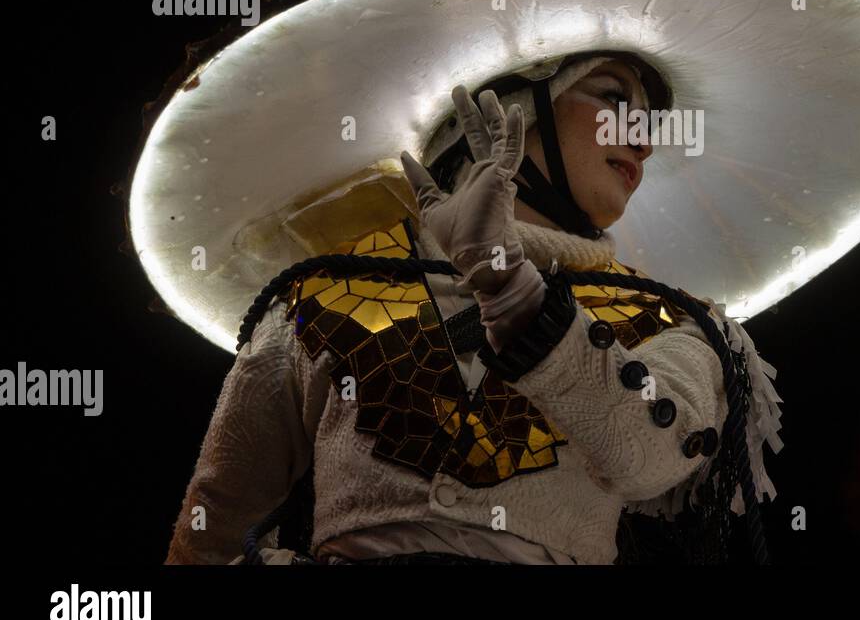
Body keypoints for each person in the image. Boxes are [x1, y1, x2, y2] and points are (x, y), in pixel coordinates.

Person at [163, 50, 784, 565]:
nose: (644, 142)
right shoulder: (321, 294)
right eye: (613, 100)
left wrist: (512, 287)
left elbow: (646, 456)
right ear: (511, 104)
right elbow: (208, 534)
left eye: (649, 120)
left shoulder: (674, 318)